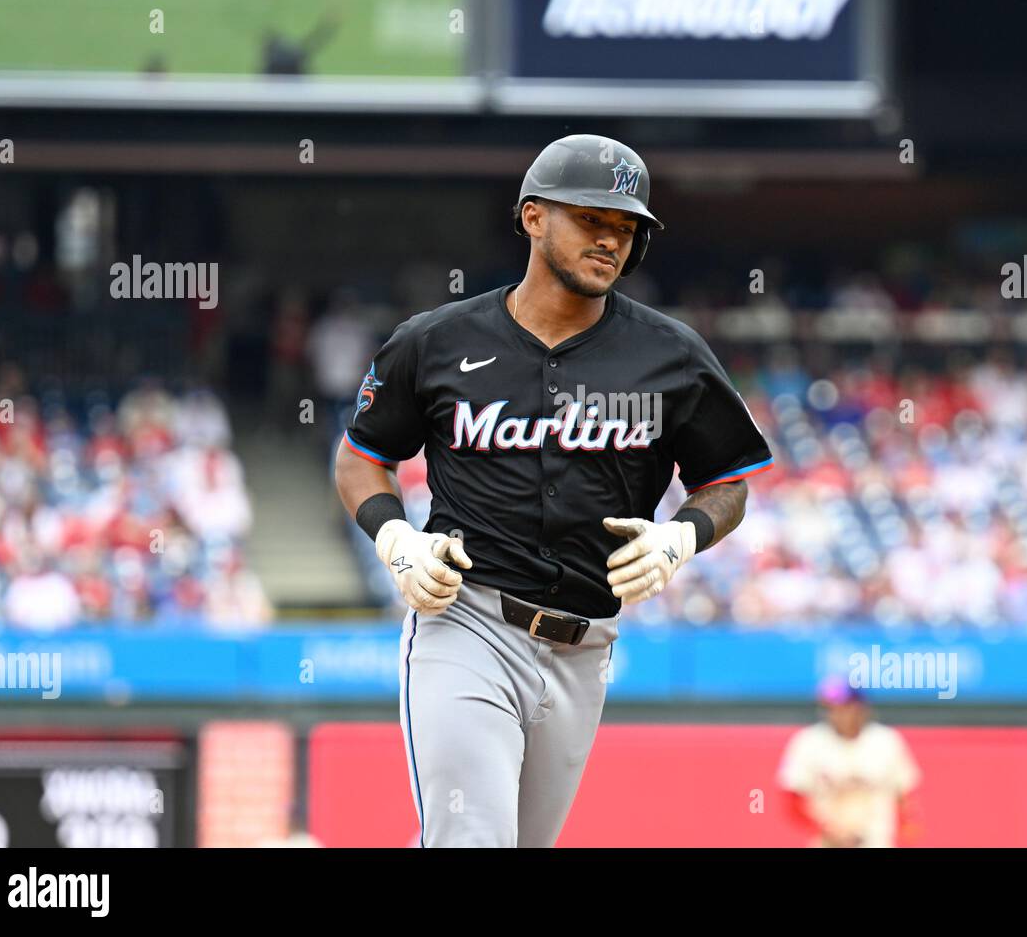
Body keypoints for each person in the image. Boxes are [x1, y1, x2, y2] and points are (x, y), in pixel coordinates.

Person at [333, 135, 774, 847]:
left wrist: (680, 536)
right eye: (592, 220)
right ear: (533, 216)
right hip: (467, 623)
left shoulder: (671, 355)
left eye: (626, 228)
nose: (611, 241)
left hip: (586, 644)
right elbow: (361, 459)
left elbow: (727, 480)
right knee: (472, 840)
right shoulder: (436, 340)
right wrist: (396, 539)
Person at [777, 678, 921, 847]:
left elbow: (904, 794)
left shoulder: (886, 741)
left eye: (846, 706)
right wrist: (826, 829)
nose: (838, 713)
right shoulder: (809, 742)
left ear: (861, 708)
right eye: (831, 708)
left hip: (876, 841)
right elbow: (794, 800)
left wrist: (908, 825)